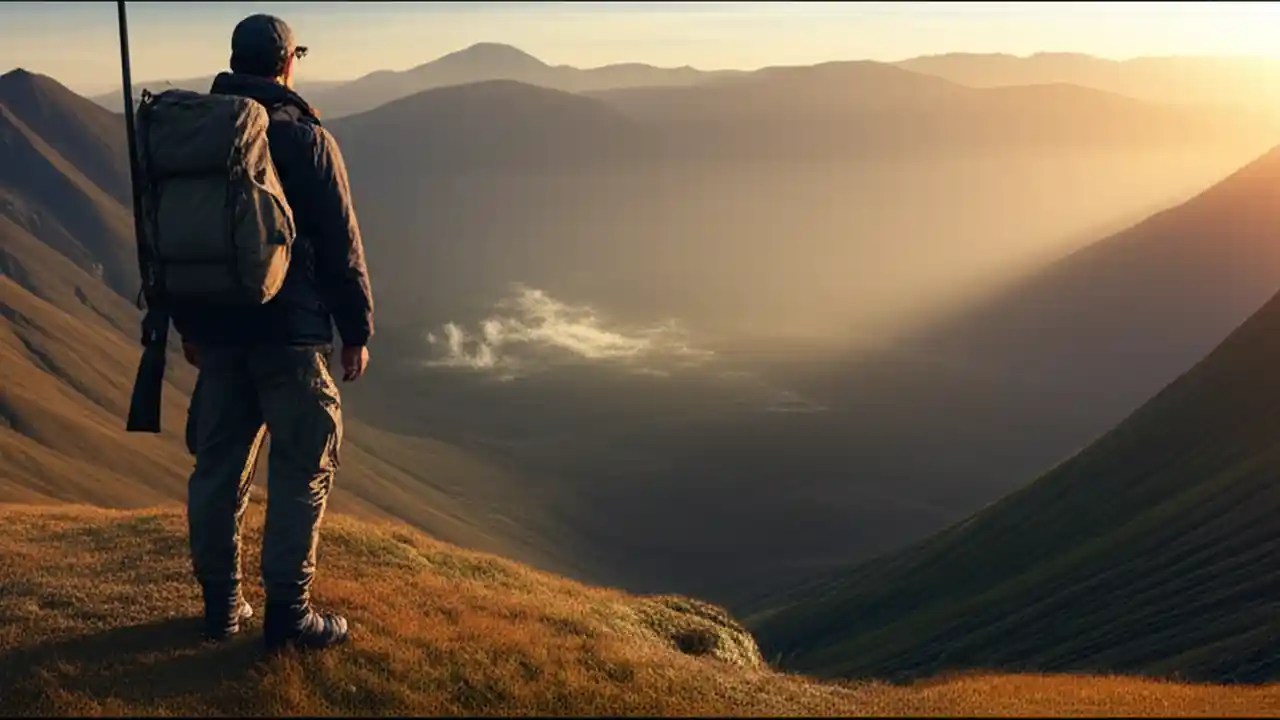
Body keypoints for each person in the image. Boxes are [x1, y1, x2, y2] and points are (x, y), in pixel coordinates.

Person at [171, 13, 375, 652]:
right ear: (287, 63)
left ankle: (221, 607)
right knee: (301, 468)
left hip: (216, 330)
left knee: (218, 471)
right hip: (290, 336)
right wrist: (356, 329)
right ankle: (289, 614)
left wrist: (187, 323)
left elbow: (171, 236)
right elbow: (341, 243)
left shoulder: (196, 134)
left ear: (234, 61)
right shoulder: (305, 138)